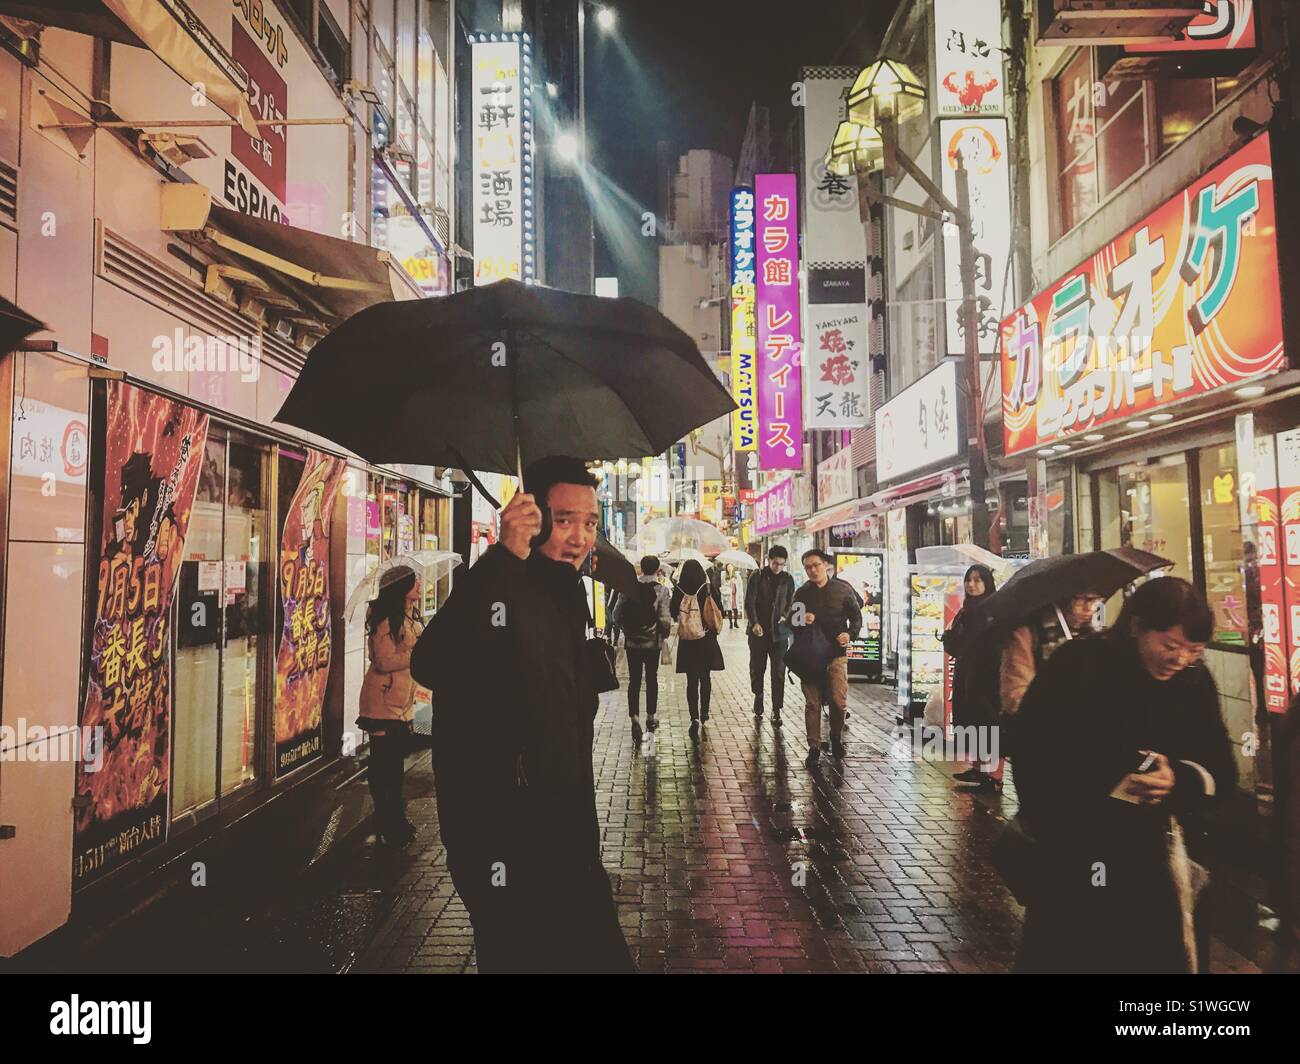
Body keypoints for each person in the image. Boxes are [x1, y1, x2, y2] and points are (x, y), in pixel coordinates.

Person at [410, 456, 632, 973]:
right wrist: (502, 559)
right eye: (564, 519)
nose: (580, 536)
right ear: (530, 518)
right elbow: (432, 660)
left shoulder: (567, 593)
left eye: (590, 522)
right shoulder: (500, 582)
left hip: (566, 826)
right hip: (503, 833)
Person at [1011, 577, 1236, 974]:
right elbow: (1032, 754)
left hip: (1158, 872)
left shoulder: (1194, 683)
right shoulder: (1078, 665)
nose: (1179, 659)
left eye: (1193, 650)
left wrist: (1178, 780)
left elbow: (1222, 772)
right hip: (1077, 859)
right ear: (1136, 626)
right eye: (1170, 645)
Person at [358, 566, 424, 846]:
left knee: (394, 765)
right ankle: (387, 819)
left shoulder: (409, 615)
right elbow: (384, 663)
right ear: (401, 588)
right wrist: (415, 654)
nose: (419, 586)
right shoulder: (385, 620)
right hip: (381, 702)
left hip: (399, 702)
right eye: (414, 582)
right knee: (385, 765)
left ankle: (393, 818)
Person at [789, 548, 862, 769]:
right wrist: (802, 619)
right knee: (812, 703)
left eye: (816, 565)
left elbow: (856, 618)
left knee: (839, 703)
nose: (813, 570)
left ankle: (836, 736)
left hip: (836, 656)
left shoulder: (842, 590)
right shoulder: (802, 593)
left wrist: (849, 634)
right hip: (810, 657)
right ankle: (814, 746)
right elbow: (792, 620)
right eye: (808, 567)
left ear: (825, 565)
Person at [942, 565, 1001, 791]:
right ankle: (977, 769)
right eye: (969, 580)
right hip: (967, 671)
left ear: (987, 583)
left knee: (989, 722)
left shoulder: (993, 609)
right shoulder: (966, 609)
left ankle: (993, 776)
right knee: (970, 718)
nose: (972, 584)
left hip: (987, 673)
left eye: (978, 580)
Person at [611, 555, 672, 743]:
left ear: (642, 568)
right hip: (652, 643)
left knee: (634, 681)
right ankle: (650, 717)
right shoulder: (661, 590)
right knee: (651, 679)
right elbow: (664, 618)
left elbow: (615, 614)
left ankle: (634, 717)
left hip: (632, 643)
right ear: (656, 570)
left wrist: (627, 630)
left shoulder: (629, 589)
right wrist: (664, 635)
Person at [670, 557, 725, 740]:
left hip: (688, 641)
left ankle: (693, 716)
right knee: (705, 677)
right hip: (706, 639)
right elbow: (720, 610)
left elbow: (672, 611)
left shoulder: (678, 589)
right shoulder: (707, 588)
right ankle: (704, 714)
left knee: (691, 680)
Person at [746, 545, 796, 725]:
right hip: (759, 633)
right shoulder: (757, 576)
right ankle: (758, 695)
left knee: (778, 672)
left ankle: (777, 709)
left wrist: (786, 615)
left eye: (782, 564)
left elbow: (792, 602)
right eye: (775, 563)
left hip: (780, 634)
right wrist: (754, 623)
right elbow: (749, 602)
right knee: (757, 669)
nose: (778, 567)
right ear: (769, 560)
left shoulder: (788, 580)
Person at [722, 565, 744, 630]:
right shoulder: (724, 575)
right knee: (729, 609)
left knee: (735, 609)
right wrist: (729, 582)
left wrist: (735, 582)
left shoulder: (737, 575)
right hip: (729, 595)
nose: (729, 568)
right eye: (728, 567)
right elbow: (723, 585)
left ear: (733, 567)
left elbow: (740, 584)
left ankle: (735, 622)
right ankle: (730, 623)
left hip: (735, 595)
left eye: (730, 567)